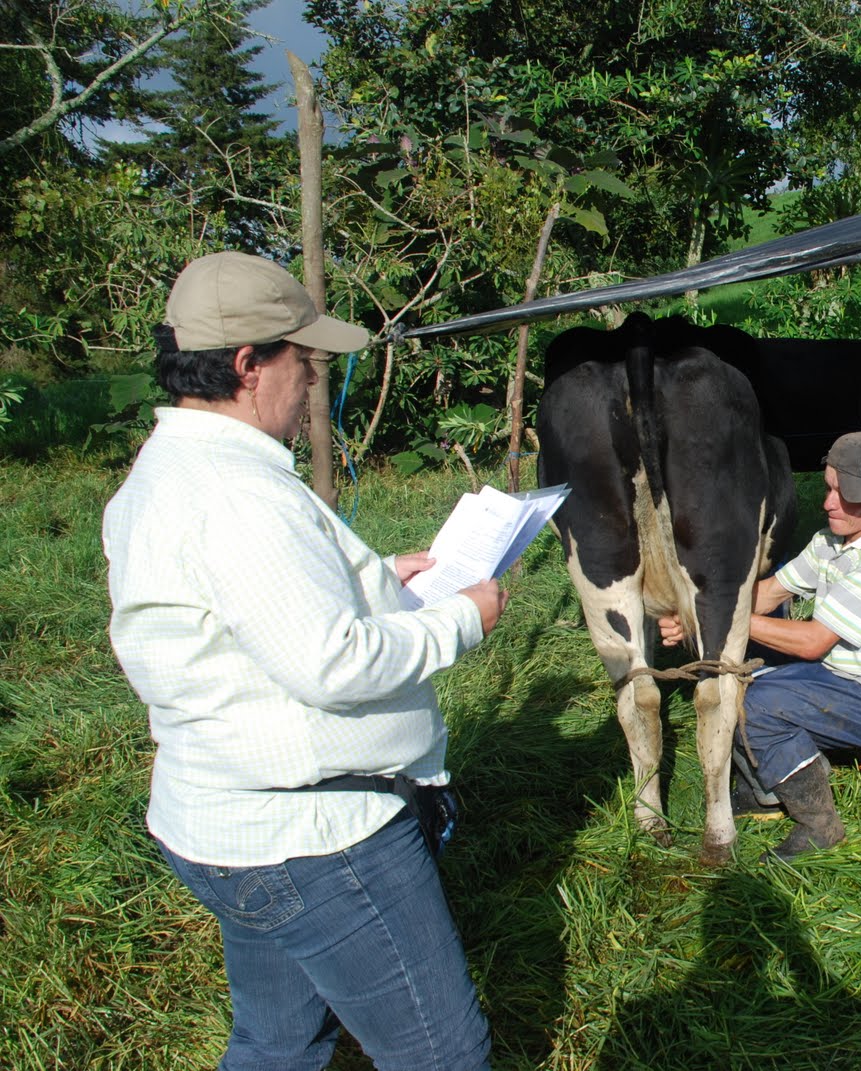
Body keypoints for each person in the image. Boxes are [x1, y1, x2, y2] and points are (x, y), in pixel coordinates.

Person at [102, 251, 504, 1070]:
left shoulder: (169, 469)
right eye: (305, 361)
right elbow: (333, 663)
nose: (313, 382)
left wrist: (377, 577)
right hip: (319, 840)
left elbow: (244, 612)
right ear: (250, 366)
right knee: (443, 1056)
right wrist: (463, 618)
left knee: (277, 1037)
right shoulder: (237, 494)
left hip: (228, 822)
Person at [659, 431, 861, 860]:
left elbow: (813, 642)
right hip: (837, 678)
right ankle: (765, 789)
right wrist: (695, 613)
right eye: (828, 488)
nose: (827, 503)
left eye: (844, 494)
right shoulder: (829, 543)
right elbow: (768, 594)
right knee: (732, 669)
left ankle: (820, 825)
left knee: (753, 703)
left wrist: (717, 619)